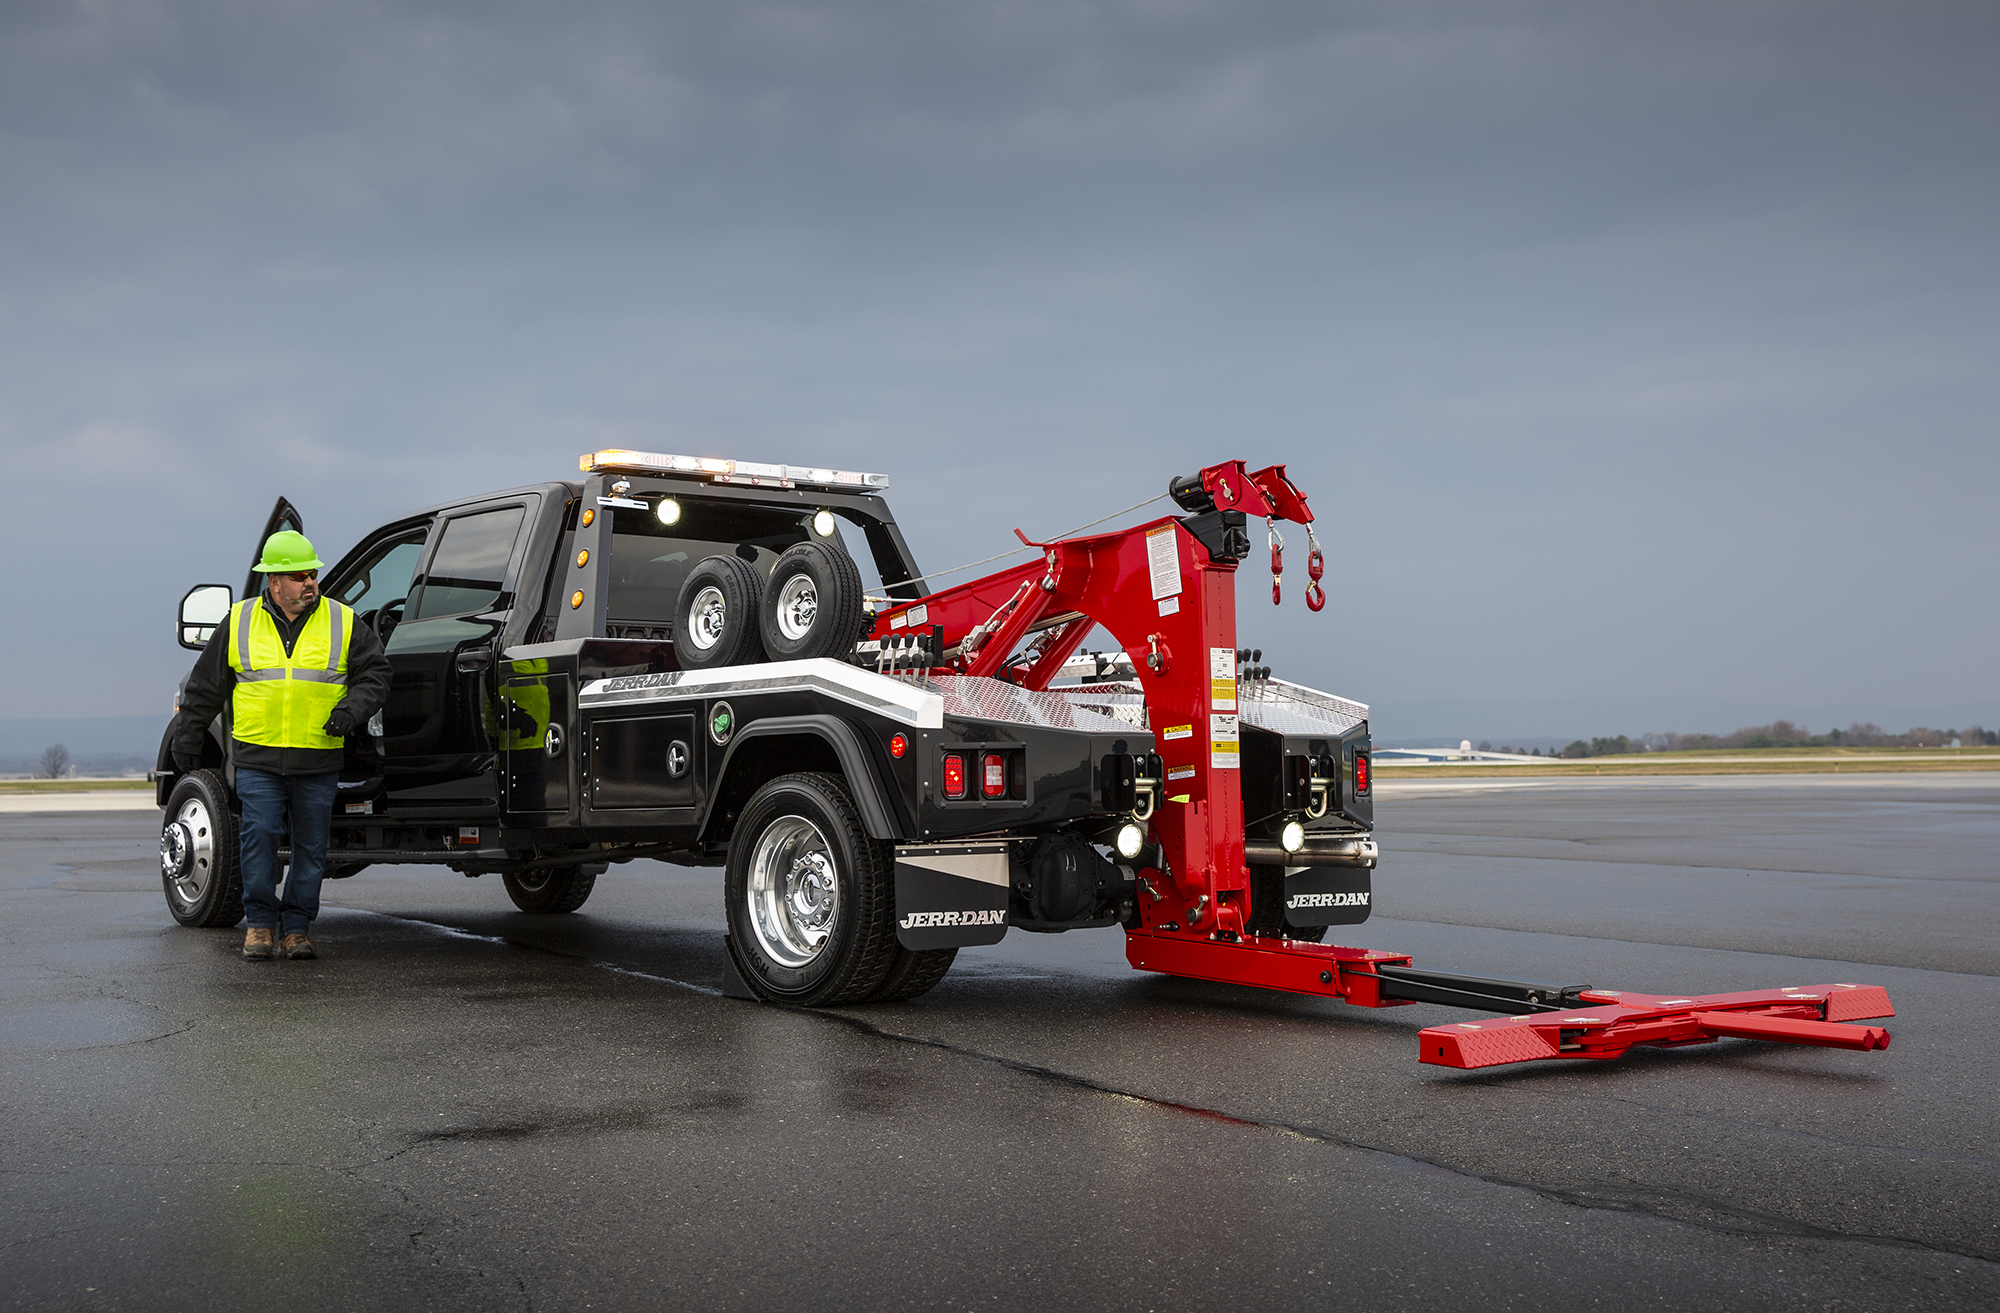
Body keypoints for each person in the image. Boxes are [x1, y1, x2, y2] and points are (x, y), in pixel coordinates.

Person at [172, 529, 393, 960]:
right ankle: (258, 925)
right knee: (260, 837)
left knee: (312, 847)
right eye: (299, 576)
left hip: (318, 757)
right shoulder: (239, 621)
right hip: (258, 759)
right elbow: (204, 687)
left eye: (312, 574)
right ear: (274, 582)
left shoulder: (342, 620)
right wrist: (189, 734)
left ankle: (296, 929)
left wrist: (352, 710)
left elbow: (377, 675)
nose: (311, 582)